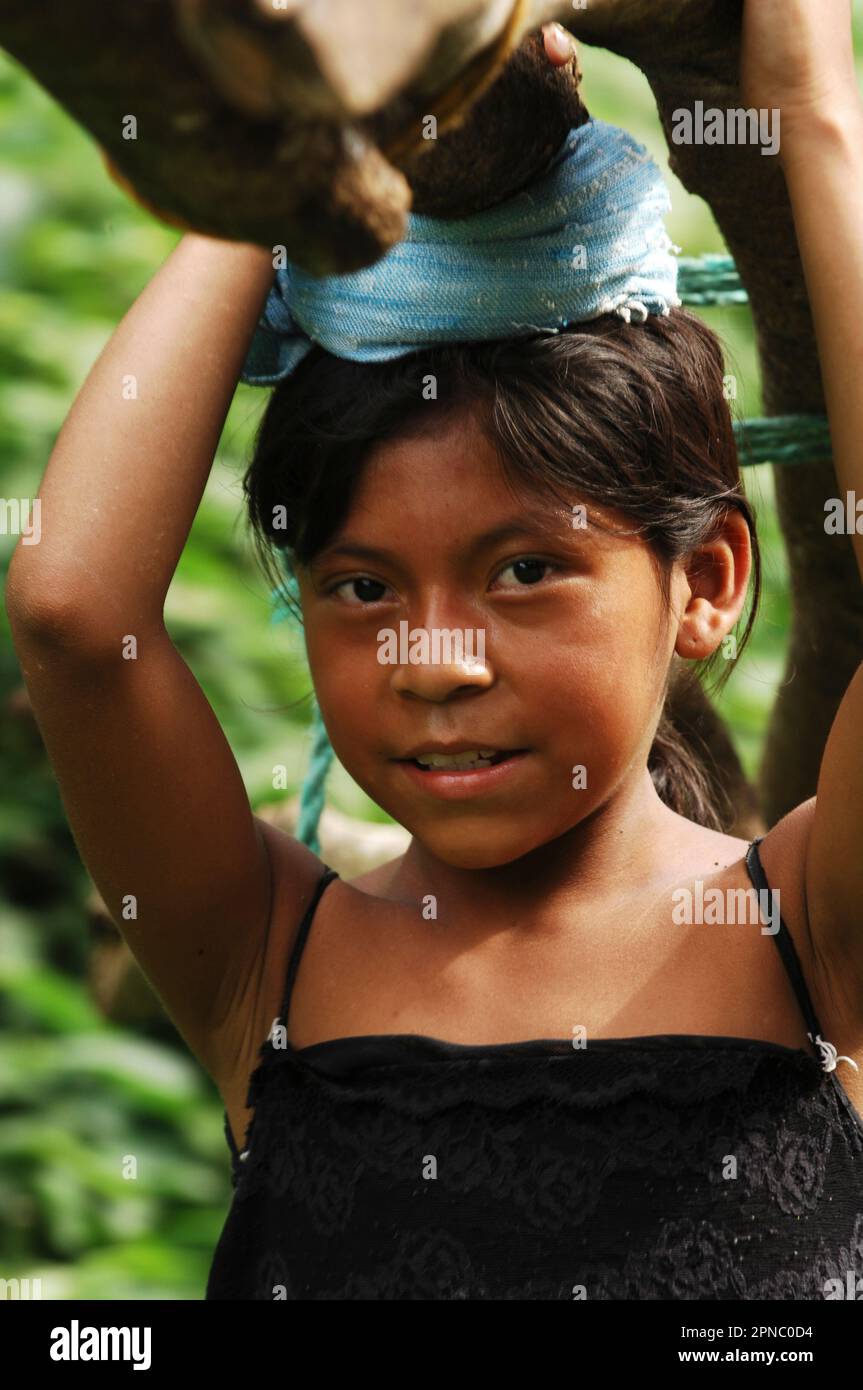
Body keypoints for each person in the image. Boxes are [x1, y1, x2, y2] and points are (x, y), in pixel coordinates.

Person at [6, 6, 863, 1300]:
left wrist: (810, 107)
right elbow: (75, 615)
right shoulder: (272, 959)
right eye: (359, 584)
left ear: (705, 580)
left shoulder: (811, 939)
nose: (431, 659)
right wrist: (280, 152)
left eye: (524, 570)